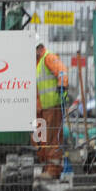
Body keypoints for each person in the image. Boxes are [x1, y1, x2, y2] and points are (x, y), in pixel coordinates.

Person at [35, 35, 69, 179]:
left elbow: (62, 71)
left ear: (39, 48)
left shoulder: (48, 58)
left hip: (52, 106)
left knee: (53, 139)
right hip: (42, 108)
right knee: (42, 138)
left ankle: (54, 169)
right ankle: (47, 167)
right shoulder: (37, 62)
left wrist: (62, 86)